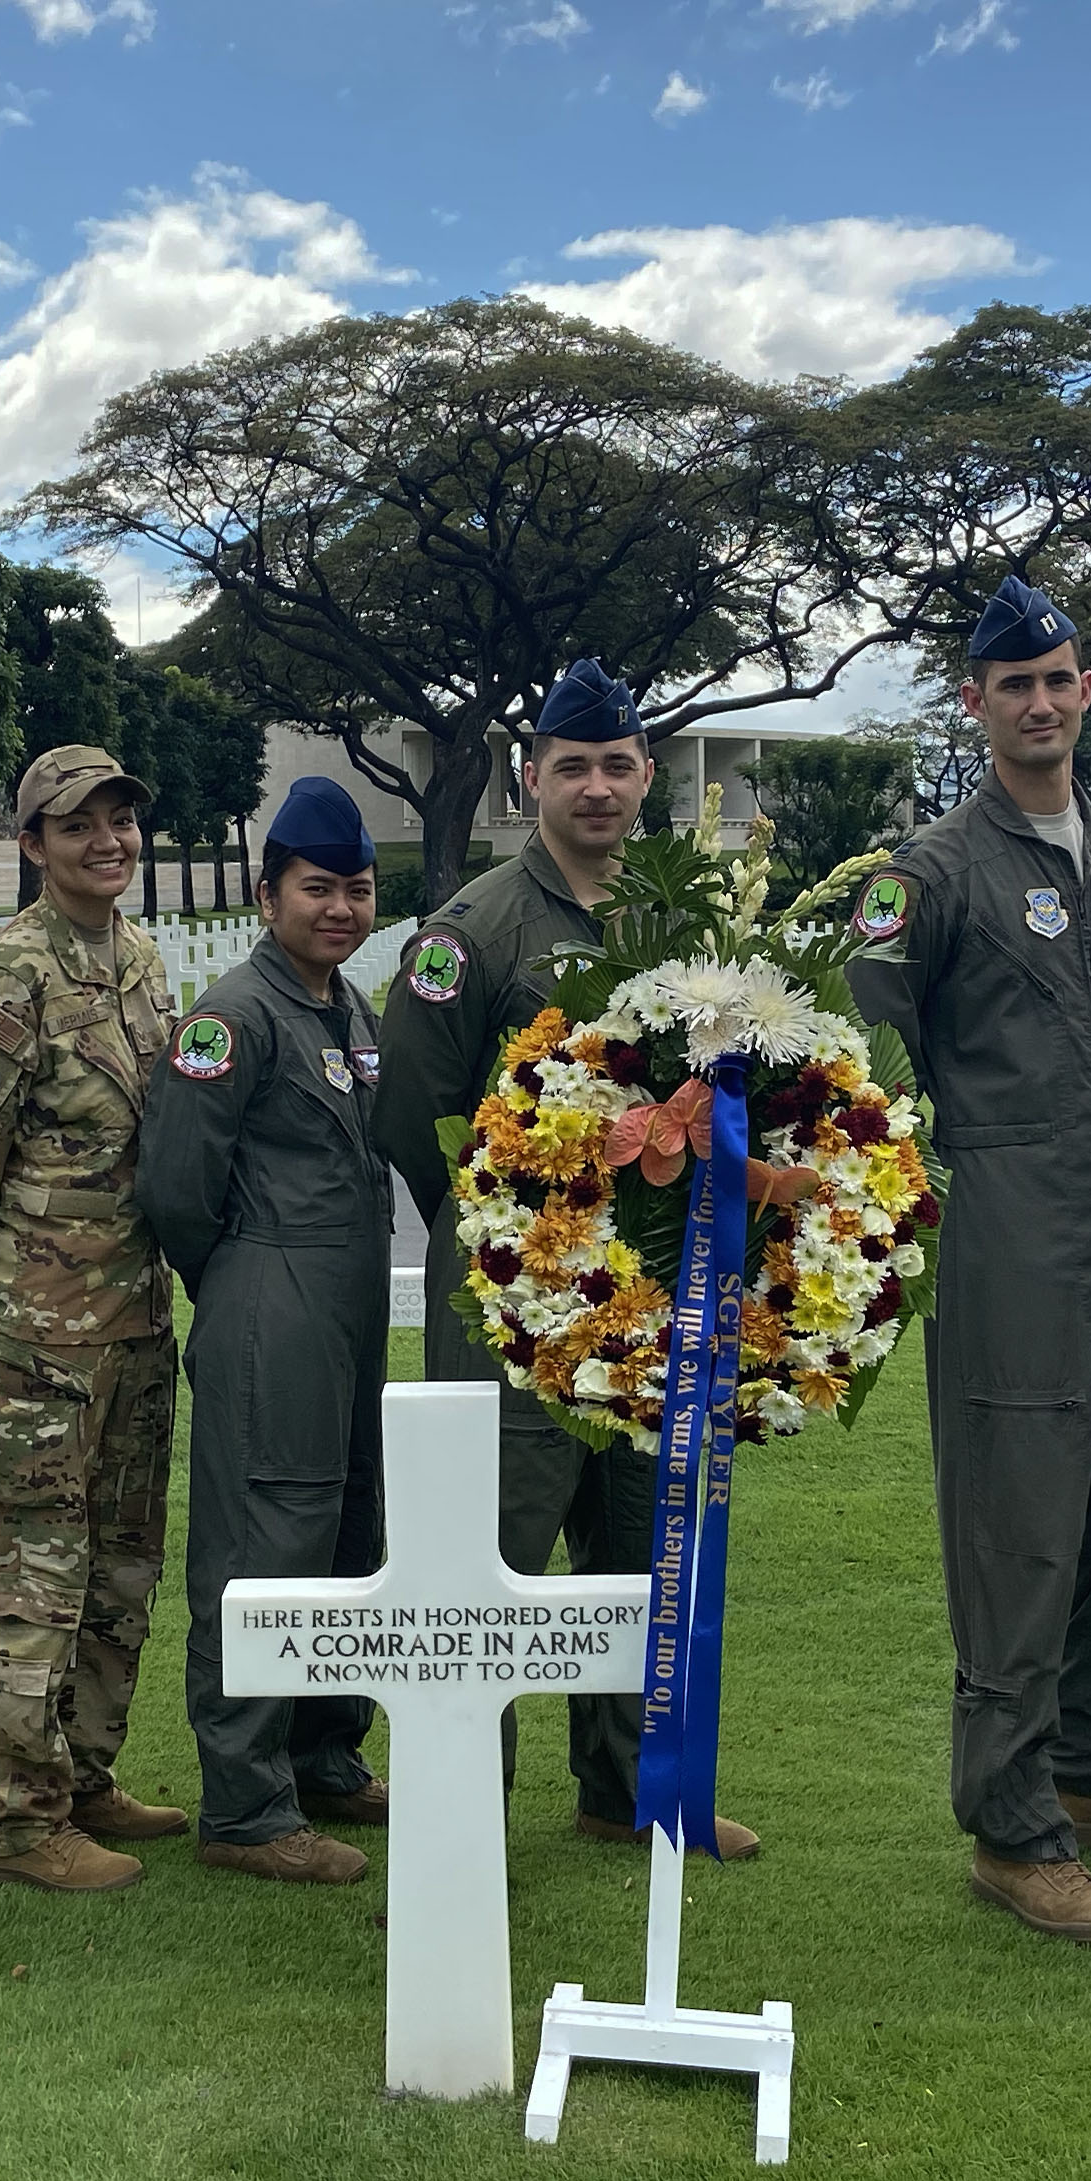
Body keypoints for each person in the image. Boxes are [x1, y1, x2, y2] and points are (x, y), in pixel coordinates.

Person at [847, 575, 1091, 1944]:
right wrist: (941, 1188)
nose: (1040, 702)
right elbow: (870, 1055)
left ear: (1084, 688)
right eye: (1012, 683)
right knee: (1020, 1512)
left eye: (1058, 678)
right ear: (974, 702)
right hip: (1003, 1205)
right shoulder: (928, 873)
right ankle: (1011, 1826)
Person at [375, 656, 760, 1860]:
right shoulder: (473, 928)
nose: (595, 788)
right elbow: (416, 1115)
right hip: (513, 1297)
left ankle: (627, 1791)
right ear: (528, 775)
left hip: (649, 1290)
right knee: (493, 1555)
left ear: (646, 774)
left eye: (616, 765)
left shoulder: (682, 924)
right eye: (570, 765)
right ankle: (458, 1825)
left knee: (641, 1540)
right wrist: (518, 1252)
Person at [0, 745, 188, 1894]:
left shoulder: (138, 958)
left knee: (122, 1560)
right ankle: (13, 1816)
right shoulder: (7, 976)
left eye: (120, 821)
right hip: (37, 1326)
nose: (107, 842)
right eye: (78, 826)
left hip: (133, 1316)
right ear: (31, 845)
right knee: (32, 1568)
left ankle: (84, 1774)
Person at [141, 778, 394, 1886]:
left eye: (355, 888)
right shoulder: (230, 1017)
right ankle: (244, 1805)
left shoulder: (346, 1006)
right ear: (266, 893)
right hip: (269, 1296)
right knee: (263, 1545)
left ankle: (322, 1753)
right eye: (315, 888)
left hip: (345, 1304)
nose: (338, 908)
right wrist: (243, 1282)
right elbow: (176, 1191)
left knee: (347, 1530)